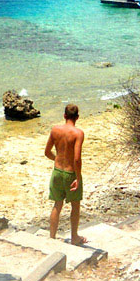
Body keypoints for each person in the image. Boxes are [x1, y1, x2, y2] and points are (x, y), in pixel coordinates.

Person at [45, 104, 86, 245]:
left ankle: (52, 237)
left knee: (57, 204)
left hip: (57, 171)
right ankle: (74, 237)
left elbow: (47, 152)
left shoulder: (55, 130)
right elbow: (76, 159)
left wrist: (56, 159)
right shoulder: (78, 133)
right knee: (75, 206)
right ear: (77, 117)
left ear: (64, 115)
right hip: (70, 173)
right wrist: (78, 178)